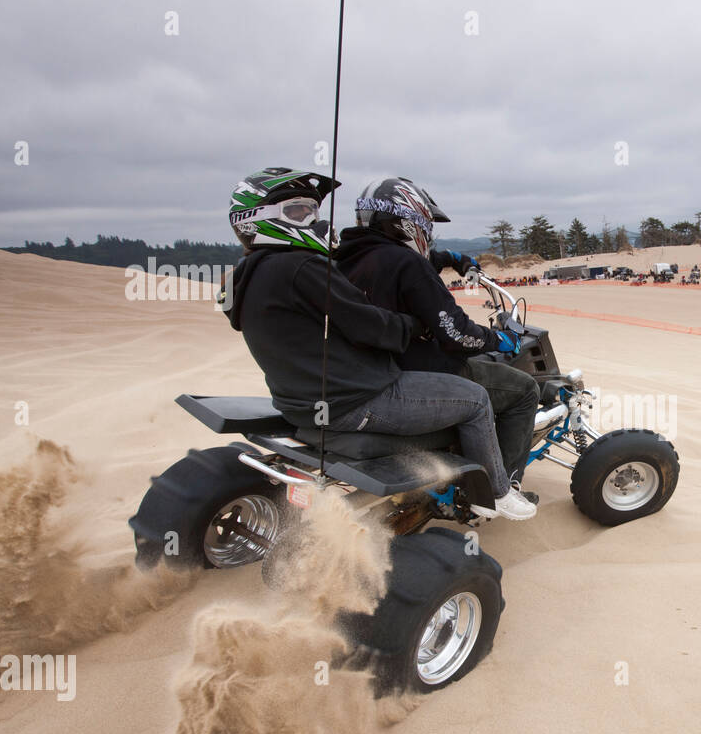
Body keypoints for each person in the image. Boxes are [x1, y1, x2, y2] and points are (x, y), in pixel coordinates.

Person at [222, 167, 535, 520]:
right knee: (481, 398)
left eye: (312, 211)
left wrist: (448, 259)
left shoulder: (247, 276)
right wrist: (423, 327)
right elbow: (372, 325)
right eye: (300, 212)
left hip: (300, 400)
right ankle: (496, 491)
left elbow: (356, 294)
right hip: (359, 397)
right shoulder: (304, 267)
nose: (314, 221)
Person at [334, 176, 541, 498]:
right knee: (524, 390)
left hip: (372, 370)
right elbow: (455, 333)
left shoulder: (346, 259)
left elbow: (395, 265)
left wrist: (451, 259)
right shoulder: (407, 262)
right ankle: (504, 486)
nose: (428, 234)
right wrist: (499, 340)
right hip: (419, 369)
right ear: (407, 223)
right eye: (426, 225)